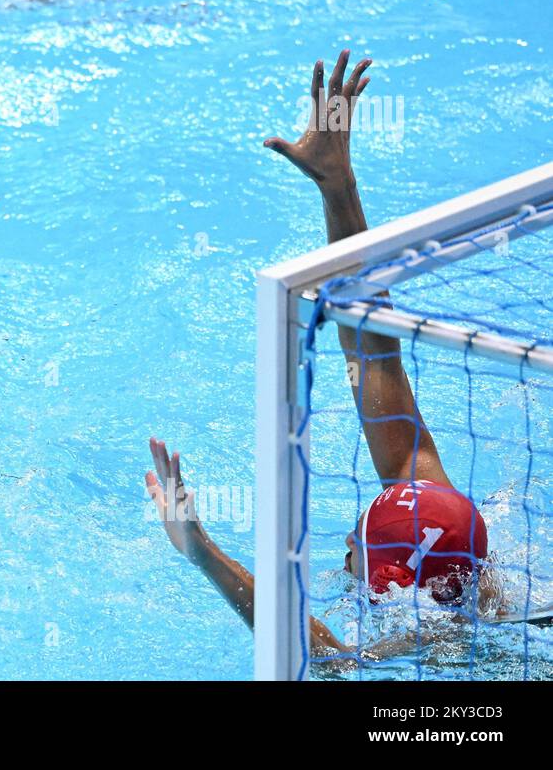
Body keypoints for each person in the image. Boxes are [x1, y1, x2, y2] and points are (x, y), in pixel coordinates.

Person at [146, 50, 497, 664]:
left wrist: (201, 550)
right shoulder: (455, 539)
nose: (344, 545)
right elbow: (374, 349)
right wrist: (338, 184)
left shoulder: (396, 656)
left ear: (391, 587)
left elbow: (318, 653)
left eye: (356, 548)